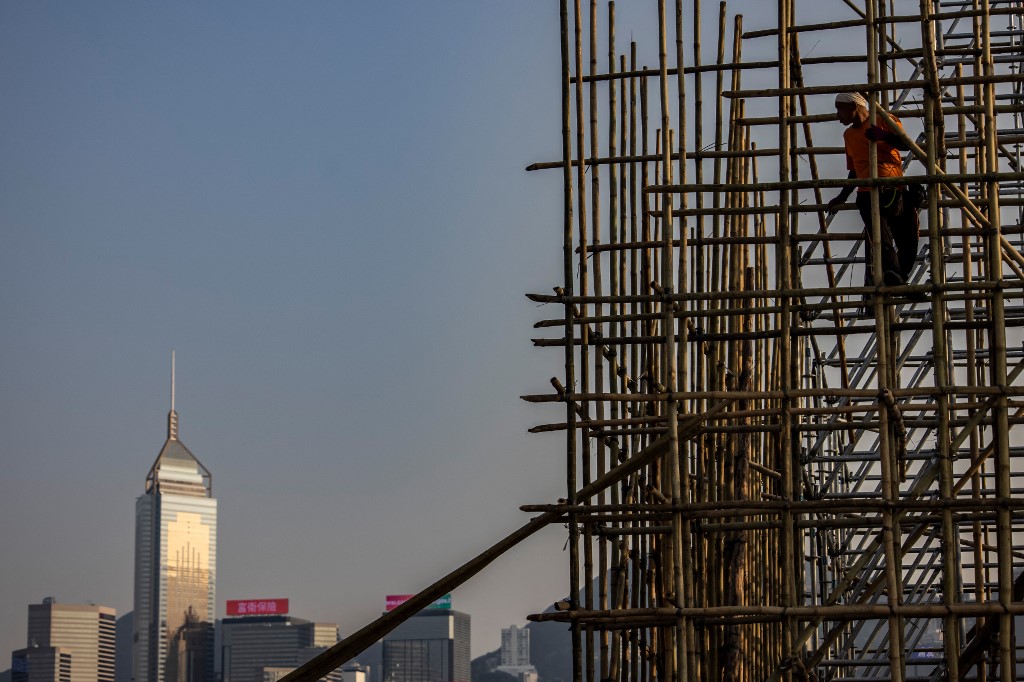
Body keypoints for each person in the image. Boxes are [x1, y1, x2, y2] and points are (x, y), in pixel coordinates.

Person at [826, 92, 919, 288]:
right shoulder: (849, 135)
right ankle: (894, 275)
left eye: (839, 109)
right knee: (880, 239)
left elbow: (906, 144)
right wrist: (842, 196)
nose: (837, 115)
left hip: (894, 189)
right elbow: (854, 170)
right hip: (867, 193)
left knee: (909, 236)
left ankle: (898, 274)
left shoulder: (884, 120)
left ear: (854, 107)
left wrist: (886, 136)